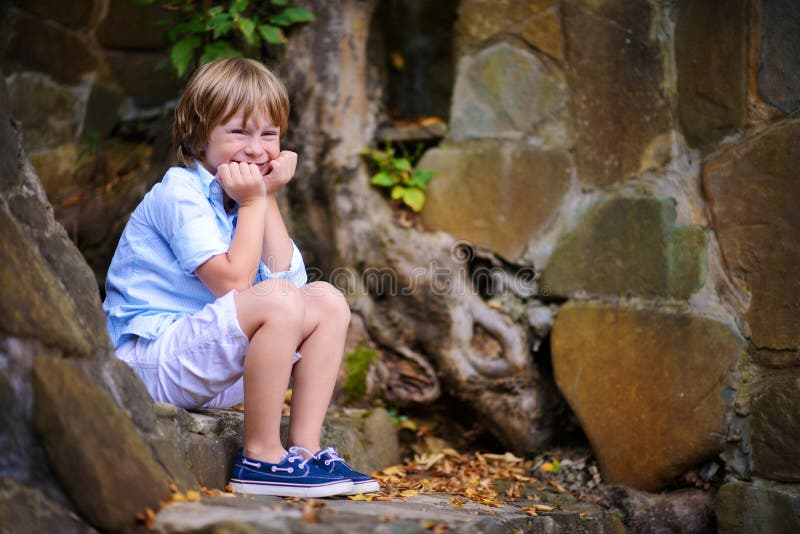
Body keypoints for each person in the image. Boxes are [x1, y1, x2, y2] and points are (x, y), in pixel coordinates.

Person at [103, 57, 379, 498]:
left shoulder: (244, 198)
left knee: (326, 300)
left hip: (207, 363)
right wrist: (254, 203)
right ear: (197, 137)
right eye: (238, 132)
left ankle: (303, 453)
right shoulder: (180, 193)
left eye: (269, 134)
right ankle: (261, 458)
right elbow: (234, 286)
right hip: (151, 364)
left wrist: (264, 200)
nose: (256, 148)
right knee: (279, 298)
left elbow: (293, 281)